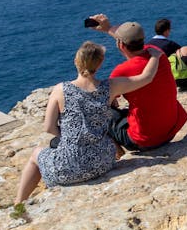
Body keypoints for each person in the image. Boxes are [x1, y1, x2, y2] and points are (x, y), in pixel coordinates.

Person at [15, 41, 161, 203]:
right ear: (99, 64)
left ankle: (18, 204)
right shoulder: (111, 87)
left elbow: (49, 127)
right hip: (103, 162)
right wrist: (155, 56)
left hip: (69, 167)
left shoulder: (60, 90)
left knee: (36, 154)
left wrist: (70, 137)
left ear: (76, 61)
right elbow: (146, 77)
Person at [91, 15, 187, 150]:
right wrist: (108, 28)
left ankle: (114, 150)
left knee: (100, 110)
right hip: (170, 130)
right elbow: (130, 44)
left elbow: (104, 100)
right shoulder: (157, 54)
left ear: (120, 45)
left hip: (145, 140)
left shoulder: (121, 71)